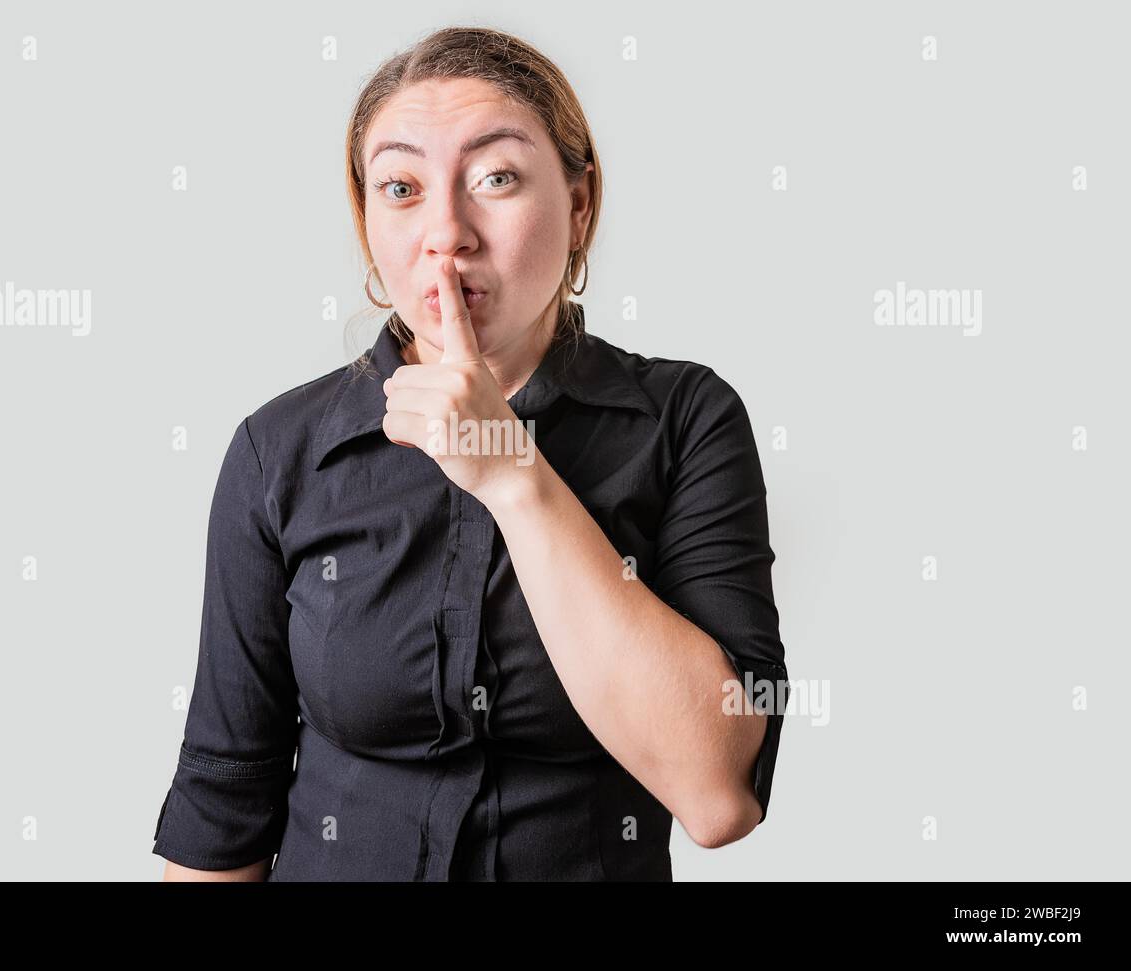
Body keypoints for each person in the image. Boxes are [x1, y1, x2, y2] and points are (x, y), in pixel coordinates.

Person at [153, 25, 789, 882]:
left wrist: (511, 473)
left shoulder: (685, 420)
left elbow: (719, 795)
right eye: (402, 187)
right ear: (367, 221)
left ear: (581, 206)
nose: (446, 232)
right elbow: (223, 802)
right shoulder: (280, 451)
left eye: (496, 177)